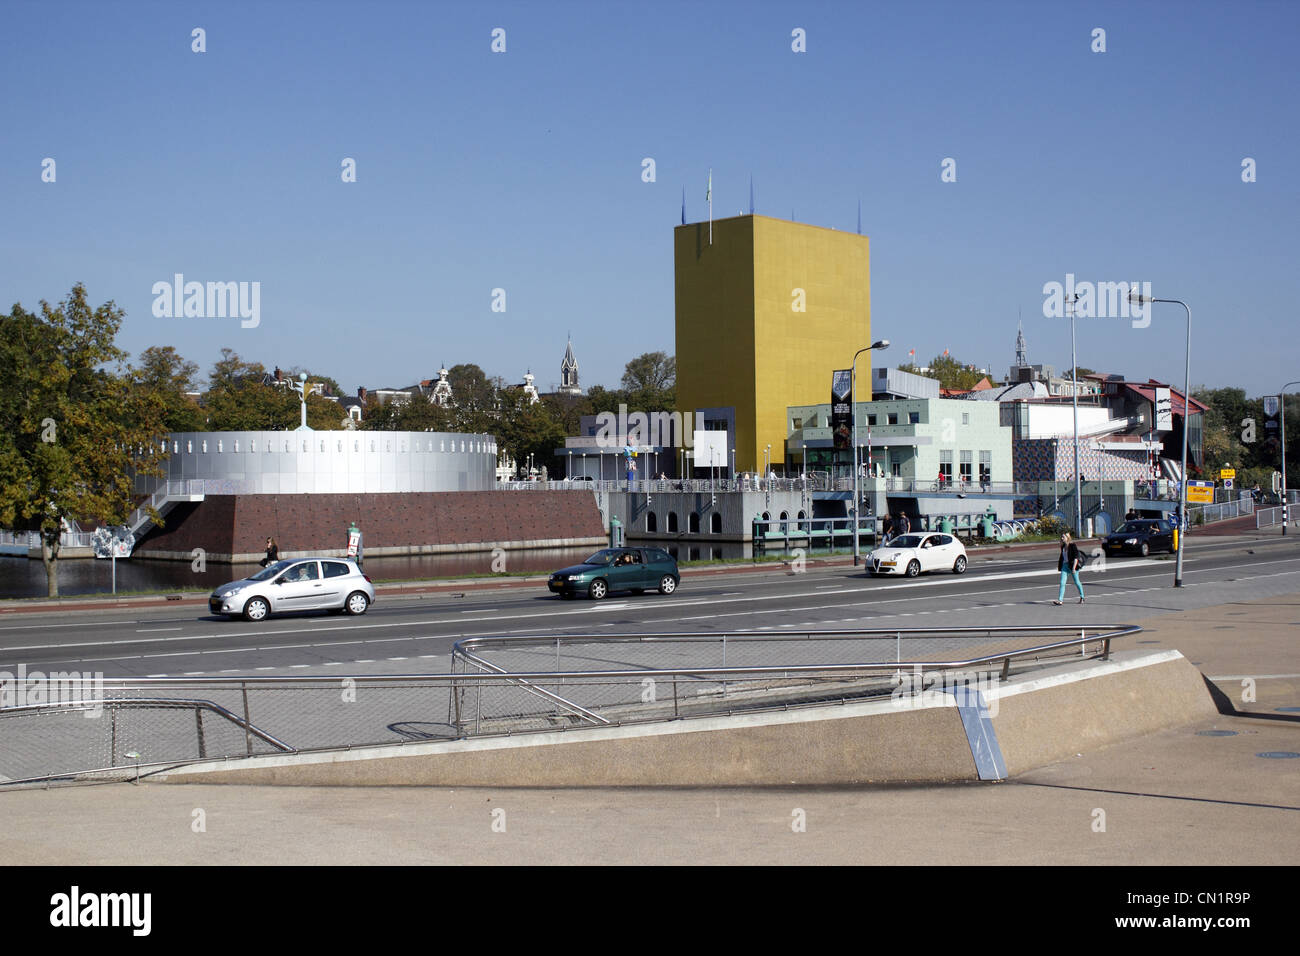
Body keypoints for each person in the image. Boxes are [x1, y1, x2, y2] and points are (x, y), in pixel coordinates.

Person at [1053, 532, 1084, 605]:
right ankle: (1060, 600)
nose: (1062, 538)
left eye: (1063, 537)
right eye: (1061, 537)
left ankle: (1082, 597)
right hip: (1065, 566)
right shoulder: (1063, 546)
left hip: (1073, 566)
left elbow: (1076, 557)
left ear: (1067, 538)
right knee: (1062, 583)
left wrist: (1073, 568)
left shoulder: (1073, 545)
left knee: (1077, 582)